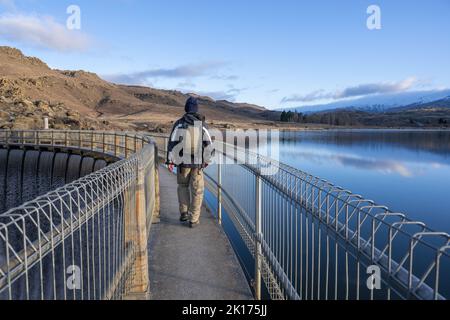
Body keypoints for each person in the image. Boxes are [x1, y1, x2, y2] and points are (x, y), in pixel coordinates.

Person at [166, 97, 213, 228]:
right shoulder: (201, 124)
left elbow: (172, 143)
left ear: (186, 108)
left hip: (182, 163)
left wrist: (170, 160)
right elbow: (208, 144)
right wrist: (207, 160)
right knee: (197, 191)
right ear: (196, 109)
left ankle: (184, 213)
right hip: (197, 164)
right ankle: (193, 219)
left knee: (182, 187)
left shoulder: (179, 123)